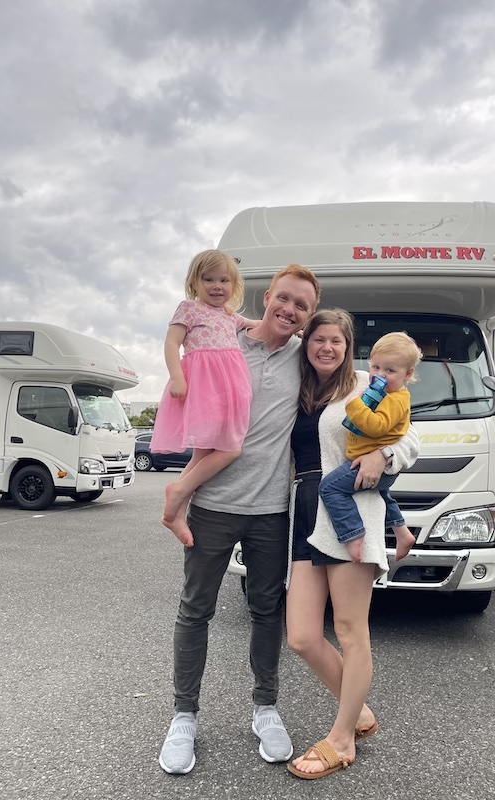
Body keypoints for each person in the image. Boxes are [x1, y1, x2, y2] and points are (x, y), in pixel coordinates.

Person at [158, 263, 323, 774]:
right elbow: (197, 413)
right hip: (212, 504)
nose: (290, 310)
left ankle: (265, 708)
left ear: (309, 316)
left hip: (271, 509)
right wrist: (185, 487)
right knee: (195, 610)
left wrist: (392, 451)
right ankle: (184, 716)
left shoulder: (307, 360)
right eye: (284, 298)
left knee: (267, 612)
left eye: (302, 305)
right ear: (267, 296)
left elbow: (370, 398)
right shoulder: (224, 343)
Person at [285, 309, 420, 780]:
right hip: (305, 512)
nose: (326, 348)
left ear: (349, 347)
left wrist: (384, 457)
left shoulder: (370, 382)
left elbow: (410, 439)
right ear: (307, 344)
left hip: (352, 511)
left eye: (335, 341)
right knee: (301, 635)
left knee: (349, 629)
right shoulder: (299, 389)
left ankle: (342, 739)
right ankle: (358, 712)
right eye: (317, 339)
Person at [151, 249, 258, 546]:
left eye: (224, 280)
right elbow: (171, 343)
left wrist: (296, 333)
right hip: (204, 388)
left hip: (228, 390)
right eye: (208, 279)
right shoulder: (188, 308)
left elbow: (255, 326)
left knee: (203, 453)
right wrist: (177, 377)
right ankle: (179, 492)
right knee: (230, 449)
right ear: (194, 282)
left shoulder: (229, 315)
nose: (216, 286)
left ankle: (177, 508)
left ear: (233, 285)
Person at [318, 331, 423, 563]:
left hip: (372, 464)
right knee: (384, 494)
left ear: (408, 373)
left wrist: (355, 406)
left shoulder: (396, 399)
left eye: (389, 370)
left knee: (329, 488)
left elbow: (376, 426)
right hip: (366, 461)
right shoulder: (382, 392)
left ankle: (353, 534)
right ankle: (402, 532)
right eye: (375, 367)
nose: (379, 375)